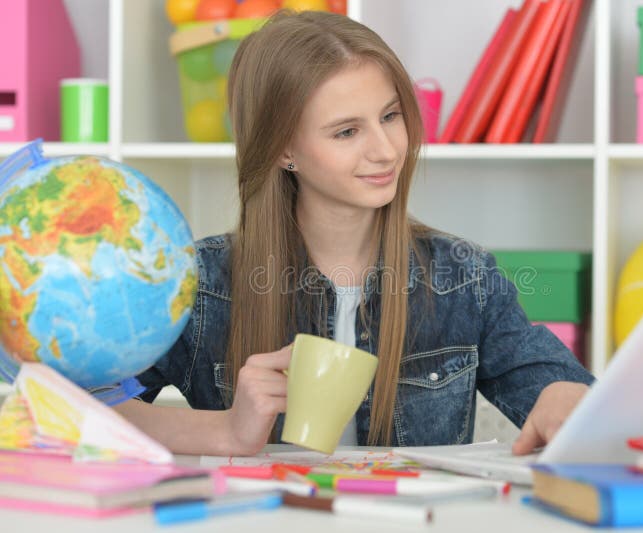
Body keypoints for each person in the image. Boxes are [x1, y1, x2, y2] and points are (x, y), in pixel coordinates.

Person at [116, 9, 594, 456]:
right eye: (347, 132)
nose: (386, 151)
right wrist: (226, 431)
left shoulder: (465, 278)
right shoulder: (201, 284)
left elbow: (568, 394)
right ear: (284, 150)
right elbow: (87, 411)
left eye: (390, 116)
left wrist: (564, 397)